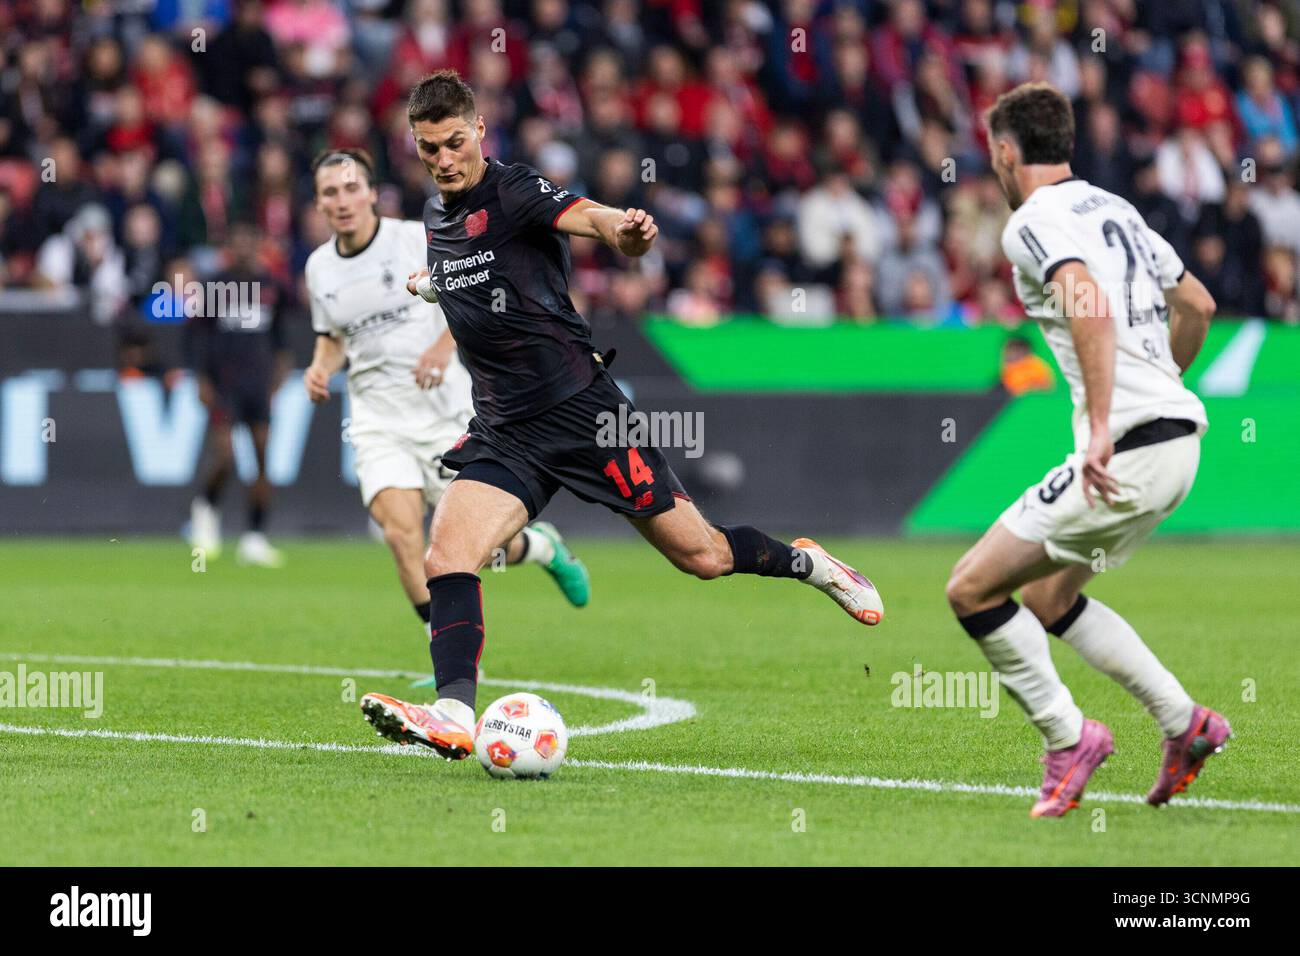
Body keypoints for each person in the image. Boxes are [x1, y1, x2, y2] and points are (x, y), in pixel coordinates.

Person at [359, 70, 884, 758]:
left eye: (455, 142)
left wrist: (625, 233)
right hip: (505, 428)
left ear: (479, 130)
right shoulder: (438, 220)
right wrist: (434, 285)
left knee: (702, 556)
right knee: (446, 554)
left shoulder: (513, 189)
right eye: (429, 150)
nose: (444, 159)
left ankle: (809, 564)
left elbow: (590, 218)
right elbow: (482, 281)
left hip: (584, 413)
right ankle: (453, 714)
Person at [946, 82, 1229, 818]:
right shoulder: (1117, 209)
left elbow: (1088, 305)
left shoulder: (1031, 221)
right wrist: (1163, 385)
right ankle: (1185, 723)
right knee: (1046, 596)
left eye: (993, 153)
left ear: (1006, 152)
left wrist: (1103, 422)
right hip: (1179, 444)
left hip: (1128, 449)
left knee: (972, 589)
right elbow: (1197, 303)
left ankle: (1069, 738)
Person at [302, 148, 591, 660]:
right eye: (330, 192)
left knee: (471, 543)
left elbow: (475, 297)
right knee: (401, 533)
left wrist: (442, 347)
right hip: (376, 420)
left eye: (351, 189)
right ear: (320, 203)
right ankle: (441, 653)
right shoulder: (319, 268)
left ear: (371, 193)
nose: (342, 201)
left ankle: (542, 547)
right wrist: (321, 367)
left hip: (445, 410)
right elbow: (332, 337)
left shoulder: (415, 238)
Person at [187, 221, 291, 567]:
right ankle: (205, 509)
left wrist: (277, 381)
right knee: (226, 458)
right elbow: (196, 336)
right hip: (224, 385)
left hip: (258, 385)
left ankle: (255, 538)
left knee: (262, 461)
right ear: (229, 246)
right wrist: (201, 379)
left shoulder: (271, 286)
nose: (244, 247)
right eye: (238, 242)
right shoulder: (214, 285)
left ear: (258, 244)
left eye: (250, 241)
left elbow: (281, 341)